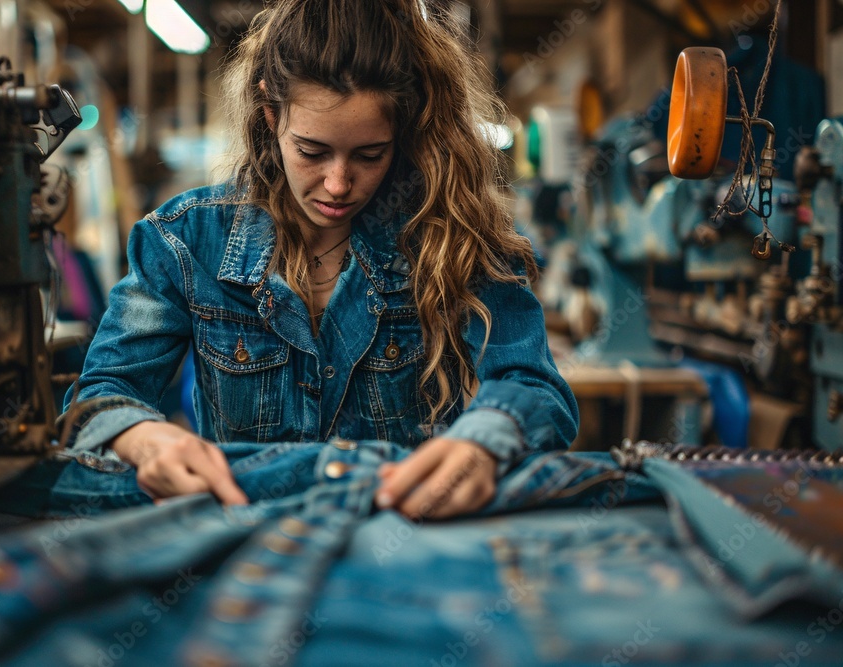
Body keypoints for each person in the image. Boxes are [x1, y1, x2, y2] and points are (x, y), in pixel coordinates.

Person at [62, 0, 578, 520]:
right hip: (245, 543)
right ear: (270, 113)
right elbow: (103, 392)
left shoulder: (456, 235)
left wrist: (485, 443)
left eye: (369, 155)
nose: (337, 184)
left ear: (403, 129)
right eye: (311, 151)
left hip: (406, 542)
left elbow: (534, 387)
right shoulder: (184, 242)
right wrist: (146, 439)